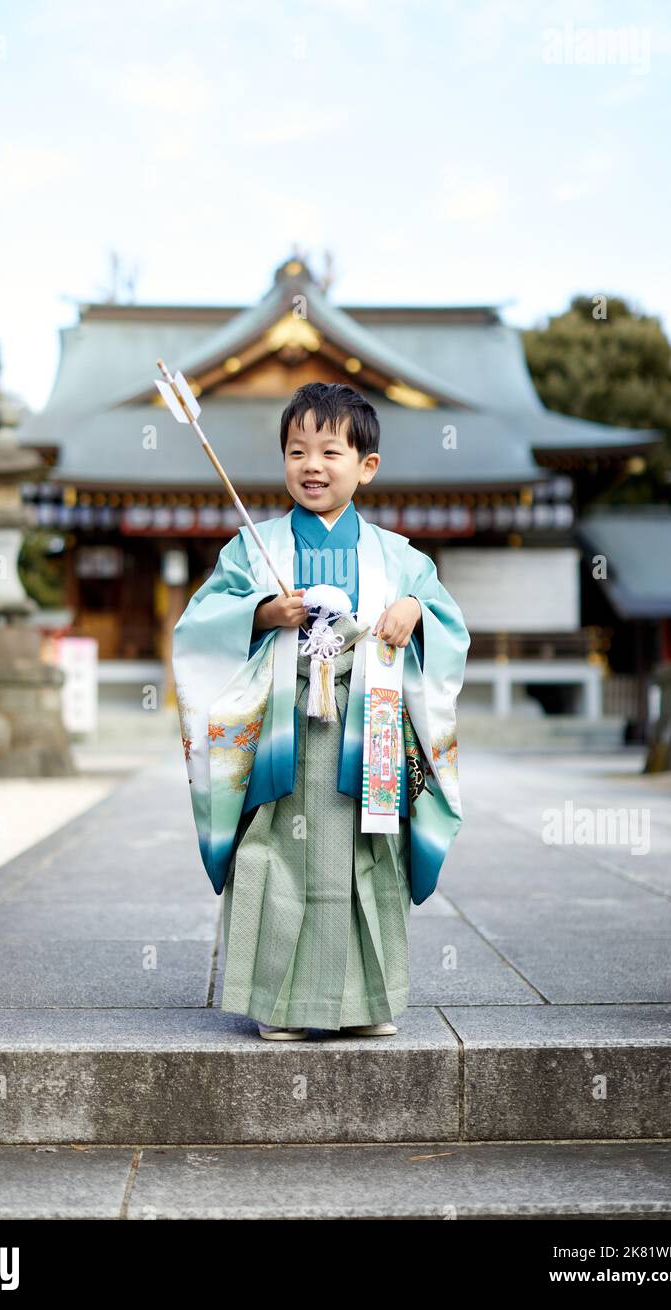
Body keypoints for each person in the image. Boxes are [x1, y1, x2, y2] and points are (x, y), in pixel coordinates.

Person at [172, 381, 470, 1041]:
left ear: (366, 467)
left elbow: (447, 618)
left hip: (371, 719)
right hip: (286, 721)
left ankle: (370, 1004)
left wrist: (413, 611)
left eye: (330, 452)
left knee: (373, 853)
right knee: (278, 851)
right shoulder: (255, 549)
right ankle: (281, 1007)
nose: (311, 465)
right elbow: (198, 625)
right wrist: (263, 612)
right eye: (297, 450)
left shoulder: (398, 555)